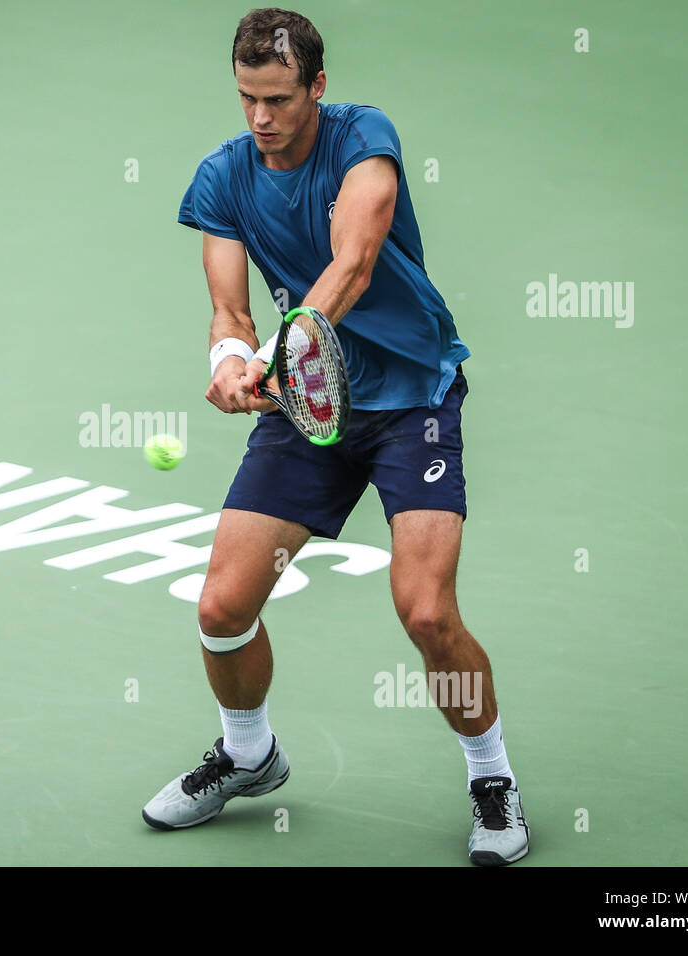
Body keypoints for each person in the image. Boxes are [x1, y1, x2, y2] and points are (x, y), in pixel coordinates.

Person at [140, 7, 529, 866]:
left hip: (410, 399)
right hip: (309, 408)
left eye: (278, 98)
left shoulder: (364, 141)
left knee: (426, 613)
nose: (261, 119)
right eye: (247, 99)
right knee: (221, 608)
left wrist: (278, 350)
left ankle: (491, 776)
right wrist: (235, 357)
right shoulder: (224, 177)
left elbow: (351, 266)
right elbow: (229, 307)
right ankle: (249, 755)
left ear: (317, 86)